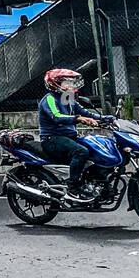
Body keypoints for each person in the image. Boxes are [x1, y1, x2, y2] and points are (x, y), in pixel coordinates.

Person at [38, 67, 105, 202]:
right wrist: (78, 119)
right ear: (55, 83)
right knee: (81, 152)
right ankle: (73, 186)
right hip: (52, 139)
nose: (71, 85)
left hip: (68, 137)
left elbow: (85, 112)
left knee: (96, 148)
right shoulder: (49, 99)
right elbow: (56, 116)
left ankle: (91, 183)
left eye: (72, 82)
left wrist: (106, 118)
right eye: (67, 82)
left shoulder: (66, 98)